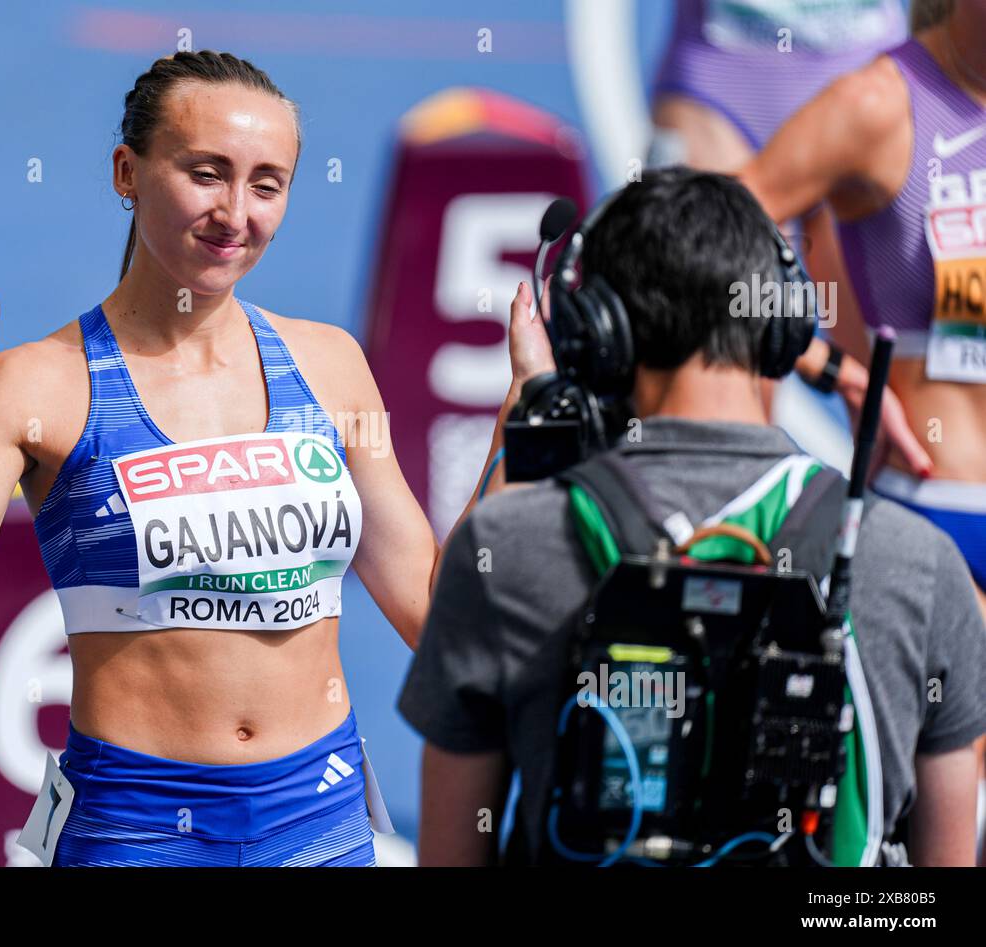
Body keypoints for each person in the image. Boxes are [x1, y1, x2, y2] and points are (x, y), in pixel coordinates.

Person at [0, 50, 551, 867]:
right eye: (207, 173)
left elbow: (436, 613)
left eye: (267, 184)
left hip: (317, 824)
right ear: (128, 171)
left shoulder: (331, 368)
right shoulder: (38, 385)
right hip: (136, 830)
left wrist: (519, 423)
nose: (235, 213)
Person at [397, 167, 986, 866]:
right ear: (783, 327)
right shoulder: (919, 562)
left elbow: (451, 853)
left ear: (595, 335)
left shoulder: (506, 547)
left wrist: (524, 417)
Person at [738, 0, 986, 855]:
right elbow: (713, 235)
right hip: (936, 518)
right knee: (928, 840)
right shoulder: (882, 104)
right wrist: (828, 364)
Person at [650, 0, 931, 471]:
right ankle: (730, 533)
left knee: (893, 410)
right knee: (725, 373)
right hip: (721, 80)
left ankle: (881, 538)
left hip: (864, 69)